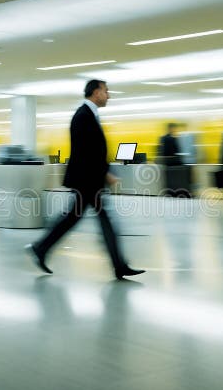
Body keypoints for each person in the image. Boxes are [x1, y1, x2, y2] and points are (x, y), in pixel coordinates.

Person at [25, 80, 145, 280]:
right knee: (93, 219)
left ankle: (41, 248)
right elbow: (85, 152)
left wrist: (103, 172)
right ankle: (118, 265)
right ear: (96, 92)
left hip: (89, 179)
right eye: (106, 91)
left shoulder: (88, 115)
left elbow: (91, 150)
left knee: (76, 218)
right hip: (87, 180)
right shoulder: (83, 116)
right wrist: (104, 173)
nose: (109, 95)